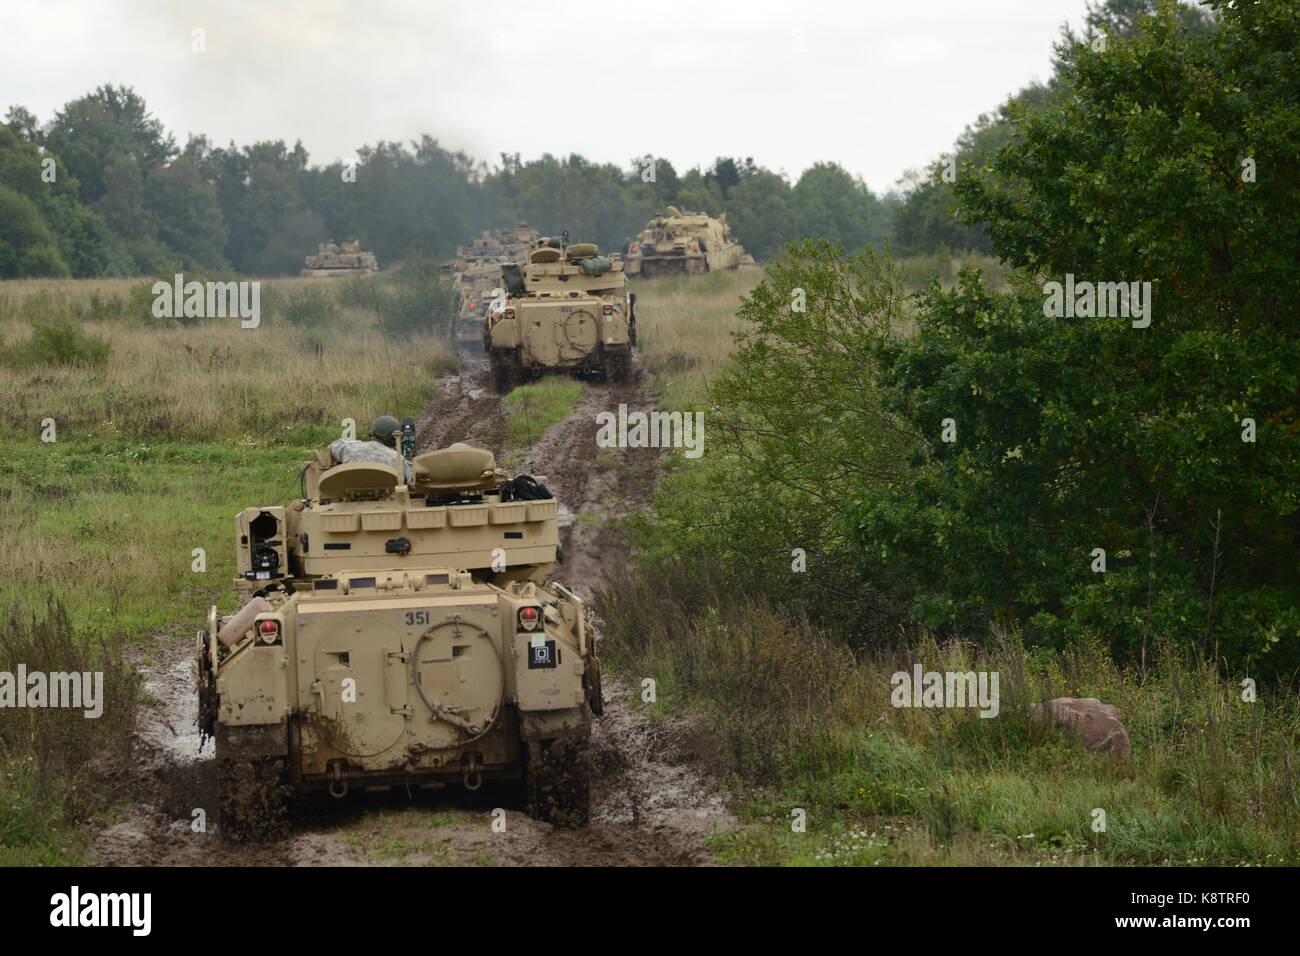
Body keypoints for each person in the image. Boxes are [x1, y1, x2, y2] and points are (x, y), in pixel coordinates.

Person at [328, 415, 413, 482]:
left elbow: (333, 446)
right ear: (392, 439)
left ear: (372, 432)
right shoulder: (397, 459)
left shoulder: (348, 449)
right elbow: (412, 480)